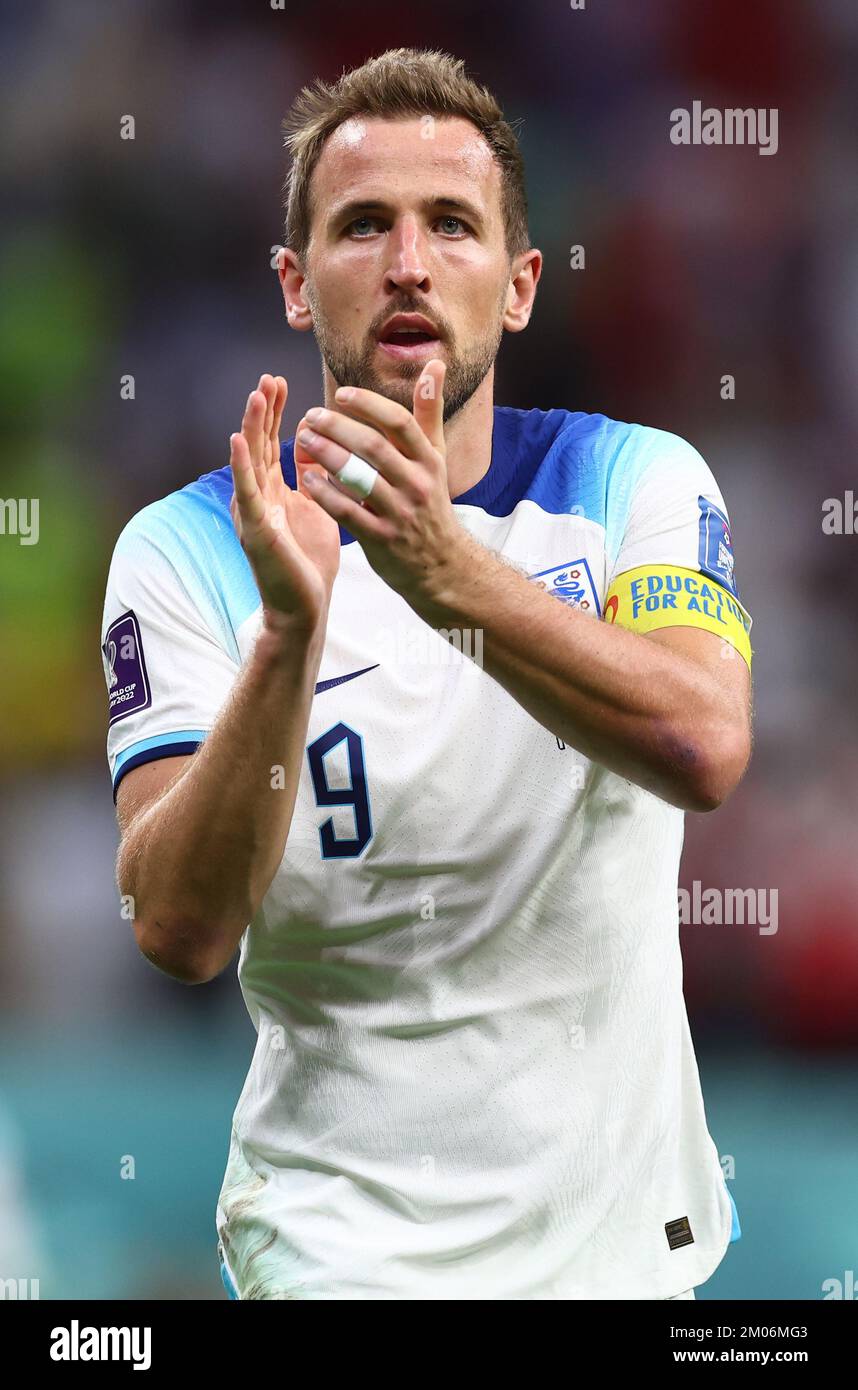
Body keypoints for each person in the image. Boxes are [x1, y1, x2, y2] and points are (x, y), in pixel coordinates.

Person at [101, 48, 751, 1300]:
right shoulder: (193, 550)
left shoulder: (638, 486)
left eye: (450, 223)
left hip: (626, 1256)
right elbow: (177, 928)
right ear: (297, 282)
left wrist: (443, 572)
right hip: (344, 1252)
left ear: (516, 288)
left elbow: (705, 744)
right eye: (363, 227)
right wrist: (290, 636)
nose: (407, 262)